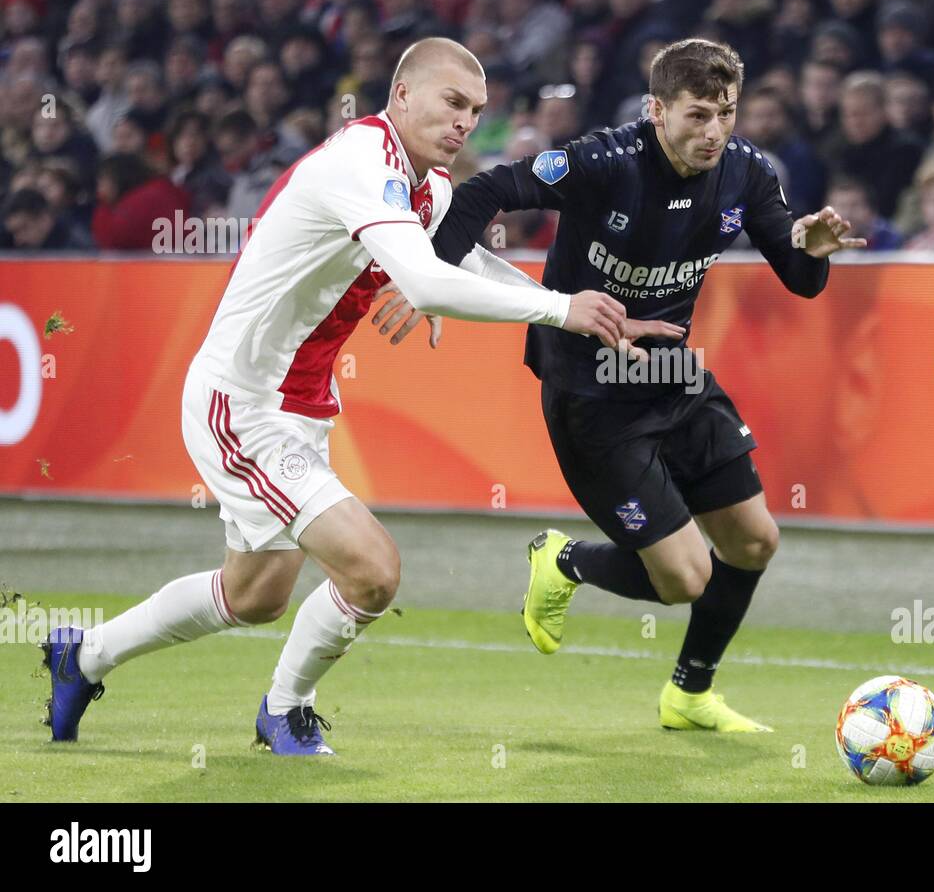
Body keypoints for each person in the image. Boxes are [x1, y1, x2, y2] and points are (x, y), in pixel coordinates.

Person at [40, 38, 633, 756]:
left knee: (254, 596)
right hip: (243, 402)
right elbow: (426, 281)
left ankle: (83, 656)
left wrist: (571, 303)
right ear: (403, 94)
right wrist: (557, 312)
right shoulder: (361, 160)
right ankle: (284, 712)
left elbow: (459, 261)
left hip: (301, 409)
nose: (465, 123)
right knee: (373, 570)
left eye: (476, 112)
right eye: (452, 103)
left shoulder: (430, 186)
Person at [396, 38, 865, 733]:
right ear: (656, 109)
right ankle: (564, 560)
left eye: (726, 114)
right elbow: (487, 191)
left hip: (673, 378)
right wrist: (429, 282)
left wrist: (814, 254)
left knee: (754, 542)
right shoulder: (602, 162)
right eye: (698, 114)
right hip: (590, 397)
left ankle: (690, 695)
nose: (714, 132)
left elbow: (799, 278)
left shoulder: (747, 173)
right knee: (684, 579)